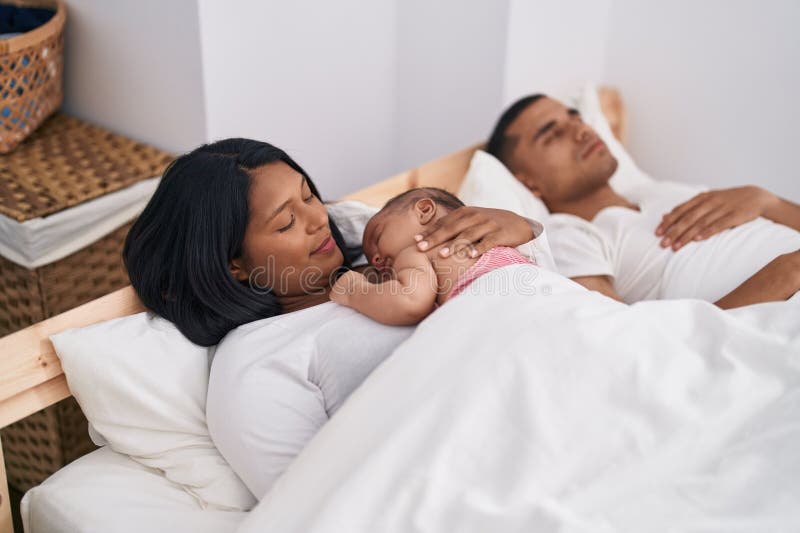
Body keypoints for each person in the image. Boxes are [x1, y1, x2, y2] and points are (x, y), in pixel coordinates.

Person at [123, 138, 545, 498]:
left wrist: (522, 229)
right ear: (235, 265)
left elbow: (532, 294)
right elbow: (315, 504)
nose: (318, 219)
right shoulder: (259, 362)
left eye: (309, 196)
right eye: (287, 222)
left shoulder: (388, 255)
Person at [486, 94, 800, 308]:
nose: (581, 131)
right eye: (552, 134)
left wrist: (768, 203)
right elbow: (630, 343)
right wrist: (781, 279)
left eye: (576, 118)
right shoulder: (569, 236)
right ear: (526, 181)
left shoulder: (663, 191)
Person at [331, 187, 534, 325]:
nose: (374, 260)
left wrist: (354, 291)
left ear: (424, 210)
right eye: (370, 261)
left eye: (378, 237)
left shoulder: (417, 251)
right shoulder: (496, 241)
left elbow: (410, 301)